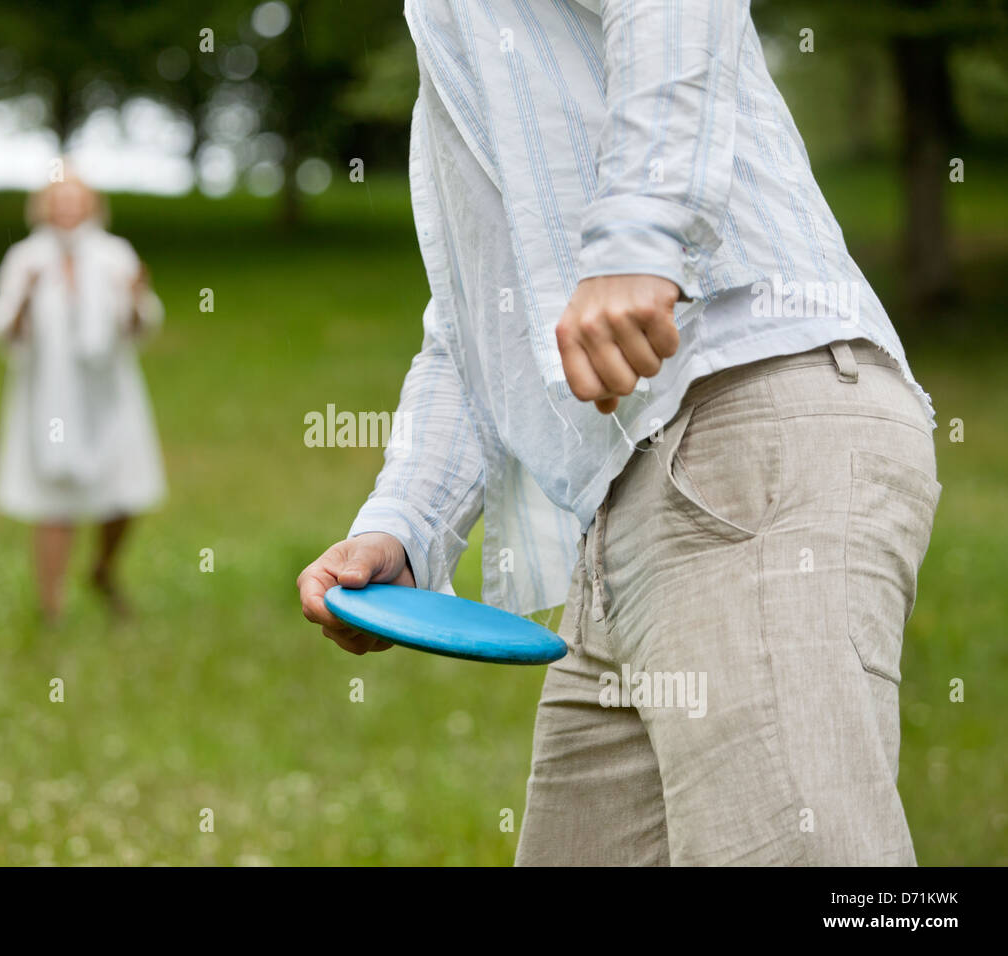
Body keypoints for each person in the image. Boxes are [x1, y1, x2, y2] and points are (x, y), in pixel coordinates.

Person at [297, 0, 940, 865]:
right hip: (631, 508)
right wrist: (405, 521)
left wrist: (639, 237)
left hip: (745, 426)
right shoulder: (455, 38)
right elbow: (476, 321)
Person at [0, 173, 166, 623]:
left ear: (91, 206)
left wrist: (138, 298)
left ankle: (103, 570)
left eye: (75, 201)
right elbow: (2, 327)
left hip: (108, 393)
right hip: (50, 395)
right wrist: (24, 297)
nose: (67, 210)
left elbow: (140, 325)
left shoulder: (113, 253)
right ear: (44, 207)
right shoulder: (26, 257)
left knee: (123, 493)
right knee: (54, 498)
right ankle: (52, 608)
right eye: (58, 202)